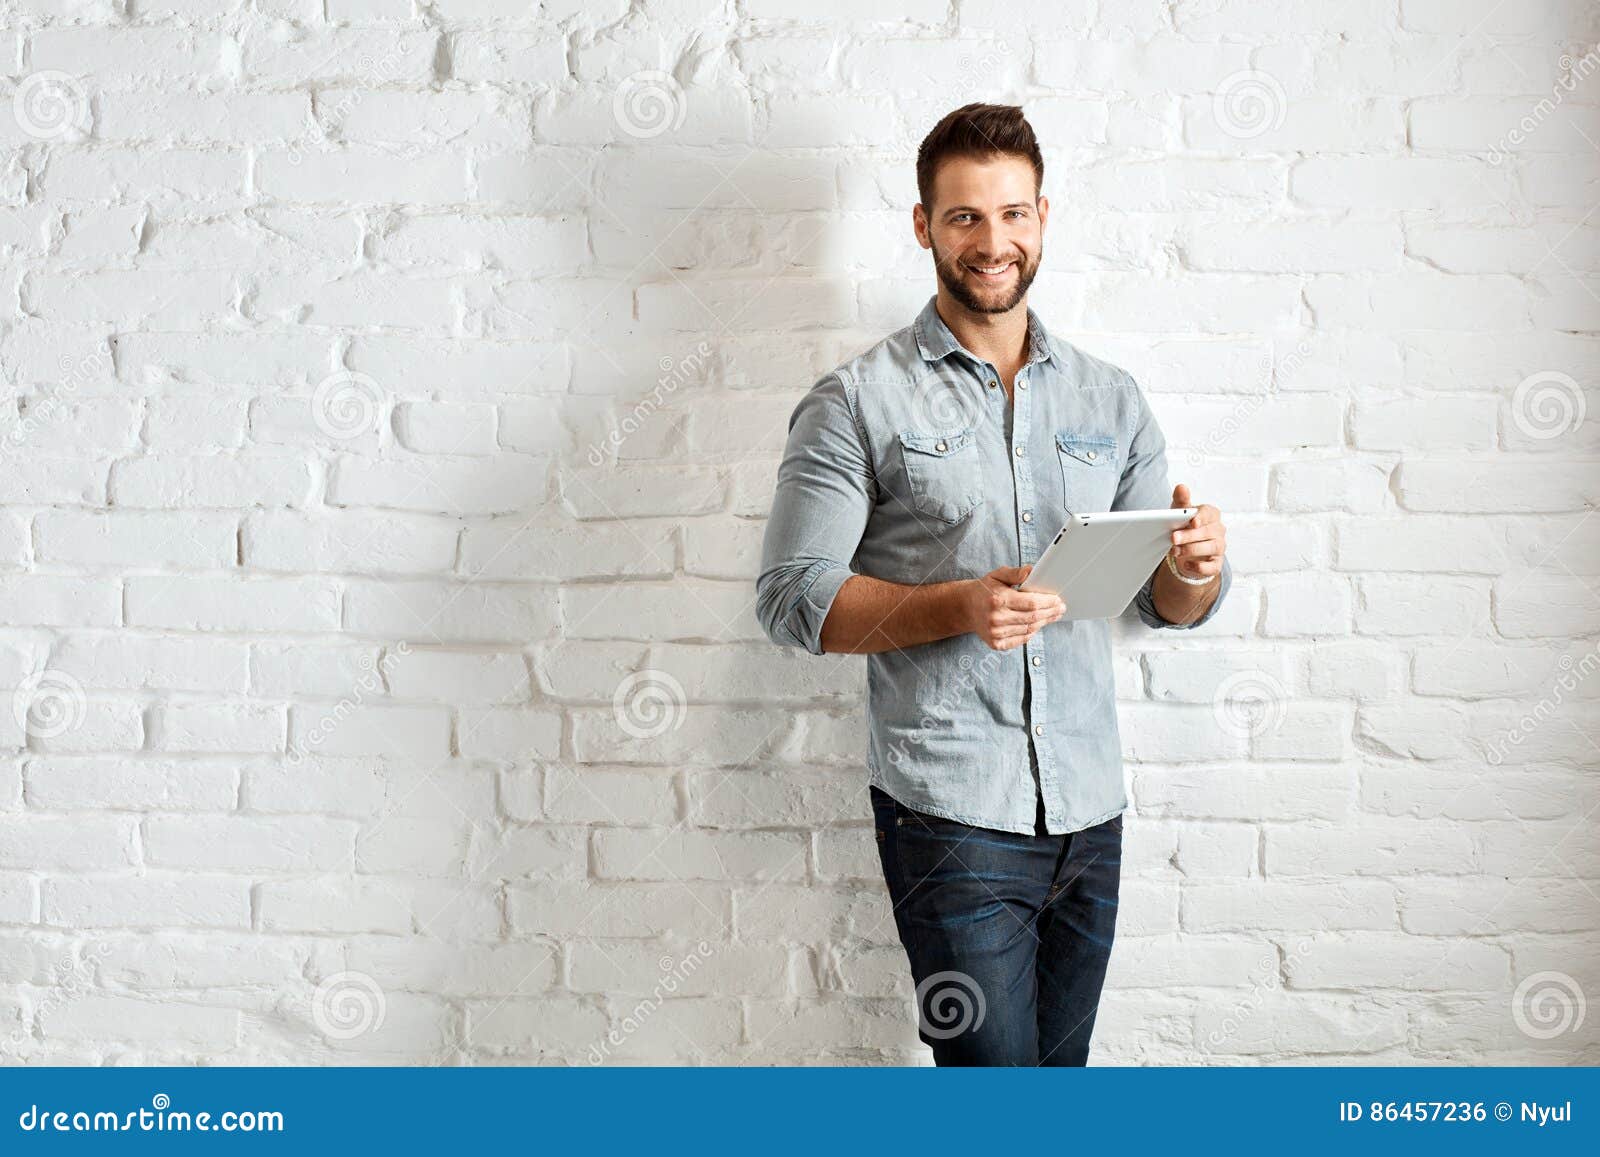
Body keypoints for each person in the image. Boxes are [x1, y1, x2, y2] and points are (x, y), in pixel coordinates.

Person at [755, 103, 1233, 1066]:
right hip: (949, 815)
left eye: (1013, 214)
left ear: (1043, 218)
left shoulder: (1112, 398)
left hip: (1090, 811)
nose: (993, 241)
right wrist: (958, 605)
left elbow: (1162, 604)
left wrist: (1193, 570)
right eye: (966, 216)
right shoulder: (858, 400)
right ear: (924, 225)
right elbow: (793, 597)